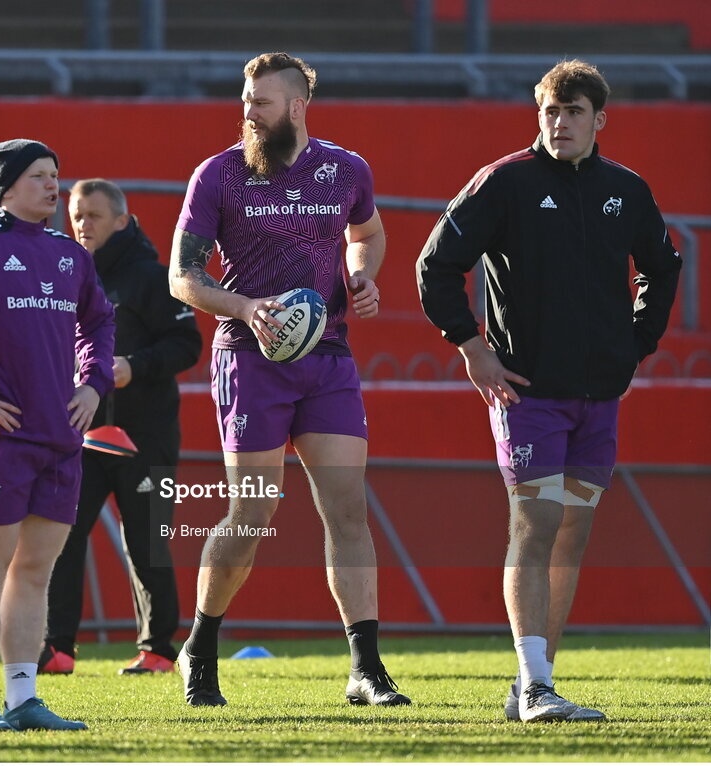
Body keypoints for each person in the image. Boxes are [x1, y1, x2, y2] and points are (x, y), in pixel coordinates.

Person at [416, 60, 681, 723]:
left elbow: (661, 267)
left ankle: (531, 683)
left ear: (598, 119)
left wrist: (636, 345)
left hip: (599, 395)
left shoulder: (626, 189)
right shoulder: (503, 182)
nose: (559, 123)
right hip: (525, 393)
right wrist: (472, 347)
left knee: (571, 531)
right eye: (549, 112)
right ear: (538, 116)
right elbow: (435, 265)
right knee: (534, 524)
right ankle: (535, 686)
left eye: (572, 112)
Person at [169, 52, 410, 708]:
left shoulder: (345, 169)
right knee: (252, 512)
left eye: (263, 102)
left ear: (298, 106)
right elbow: (183, 276)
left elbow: (367, 233)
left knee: (347, 510)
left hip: (327, 357)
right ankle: (202, 644)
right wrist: (244, 307)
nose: (249, 111)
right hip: (250, 360)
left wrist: (361, 274)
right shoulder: (217, 175)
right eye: (245, 100)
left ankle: (365, 668)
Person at [0, 140, 115, 732]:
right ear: (4, 186)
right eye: (39, 176)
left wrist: (92, 383)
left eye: (55, 175)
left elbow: (99, 321)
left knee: (36, 571)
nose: (53, 185)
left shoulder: (71, 256)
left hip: (60, 439)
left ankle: (23, 697)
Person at [40, 179, 202, 676]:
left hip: (146, 432)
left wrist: (135, 365)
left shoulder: (151, 278)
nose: (81, 225)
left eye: (92, 215)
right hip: (80, 431)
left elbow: (187, 343)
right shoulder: (65, 275)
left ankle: (157, 650)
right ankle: (57, 649)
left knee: (147, 538)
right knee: (62, 536)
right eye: (75, 216)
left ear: (122, 221)